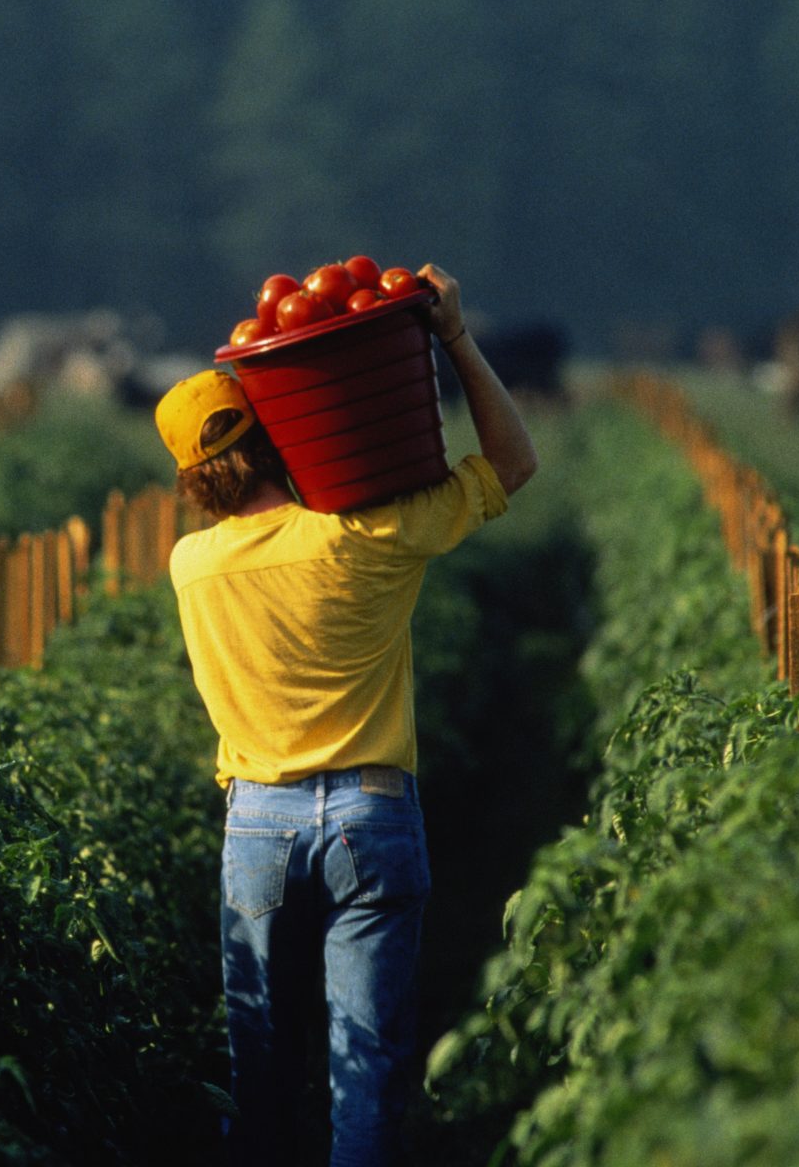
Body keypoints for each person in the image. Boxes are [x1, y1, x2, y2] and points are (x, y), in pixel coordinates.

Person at [155, 265, 537, 1166]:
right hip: (372, 813)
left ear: (192, 478)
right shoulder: (366, 536)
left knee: (260, 1069)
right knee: (366, 1067)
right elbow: (513, 463)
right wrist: (453, 337)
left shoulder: (190, 567)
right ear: (275, 432)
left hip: (257, 824)